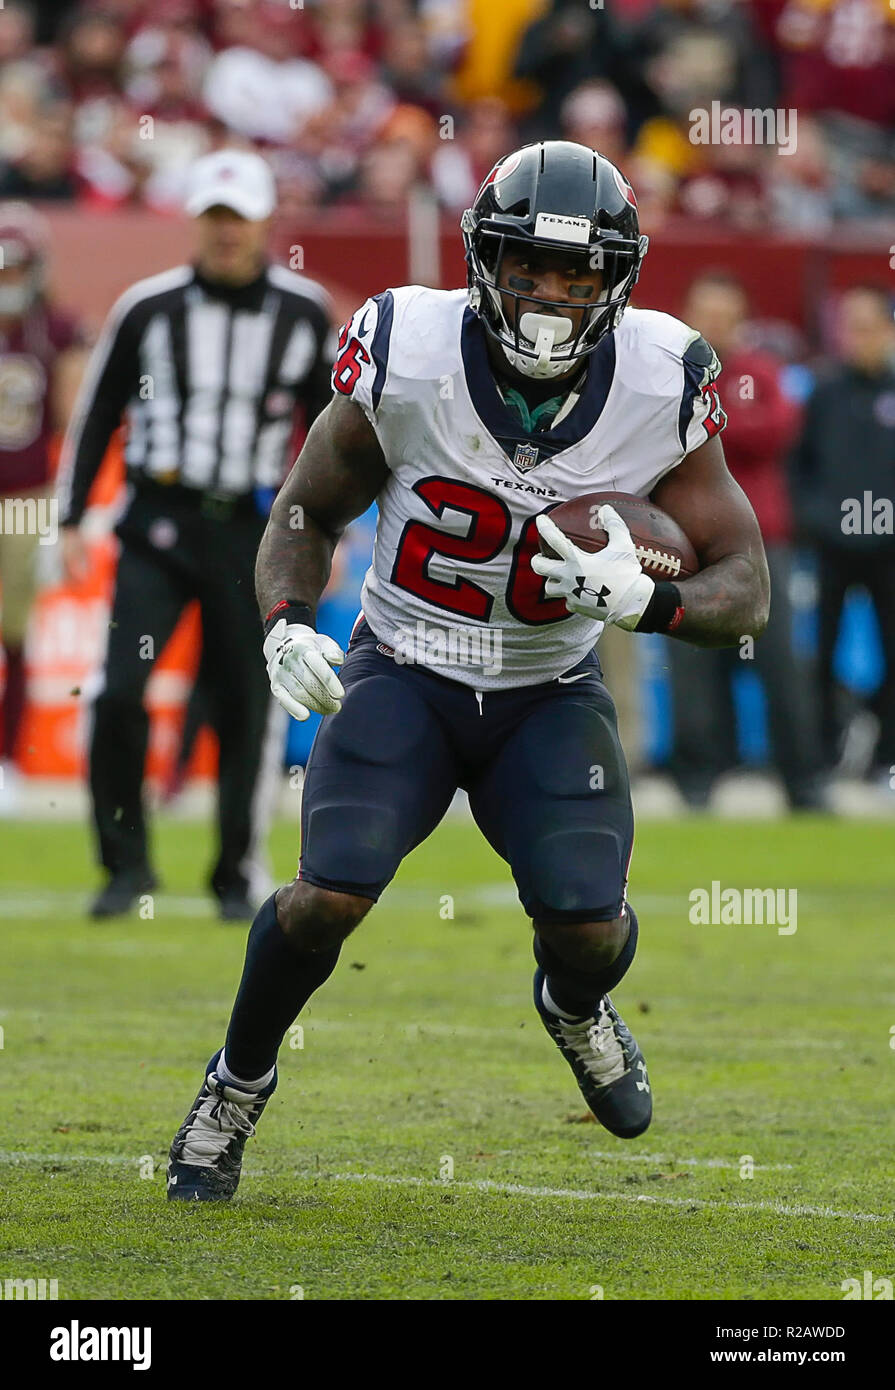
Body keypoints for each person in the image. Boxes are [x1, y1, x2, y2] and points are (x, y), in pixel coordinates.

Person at [166, 141, 769, 1201]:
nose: (549, 293)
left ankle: (572, 1007)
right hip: (403, 664)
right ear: (481, 260)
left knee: (591, 926)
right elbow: (307, 507)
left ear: (616, 280)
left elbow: (745, 582)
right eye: (526, 264)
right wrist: (284, 620)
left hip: (548, 688)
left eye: (577, 274)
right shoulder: (410, 346)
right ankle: (234, 1085)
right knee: (325, 897)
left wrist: (652, 603)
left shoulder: (659, 376)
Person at [57, 149, 336, 919]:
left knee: (246, 702)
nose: (226, 234)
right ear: (196, 222)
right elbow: (98, 412)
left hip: (253, 531)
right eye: (214, 218)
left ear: (262, 223)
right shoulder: (147, 307)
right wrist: (73, 514)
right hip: (157, 522)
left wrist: (324, 537)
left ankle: (234, 873)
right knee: (119, 692)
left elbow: (333, 435)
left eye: (238, 219)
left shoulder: (303, 310)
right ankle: (124, 867)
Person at [668, 269, 824, 809]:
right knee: (691, 666)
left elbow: (778, 430)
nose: (712, 324)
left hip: (761, 542)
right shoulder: (671, 373)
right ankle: (697, 780)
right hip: (686, 542)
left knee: (779, 663)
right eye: (703, 312)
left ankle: (802, 781)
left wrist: (705, 422)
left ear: (741, 320)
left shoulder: (758, 371)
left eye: (722, 314)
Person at [0, 201, 86, 815]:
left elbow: (72, 418)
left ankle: (6, 759)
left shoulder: (55, 329)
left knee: (14, 635)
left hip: (26, 500)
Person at [790, 285, 895, 783]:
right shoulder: (823, 391)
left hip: (889, 548)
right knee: (821, 654)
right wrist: (816, 519)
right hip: (831, 547)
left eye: (868, 327)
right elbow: (801, 463)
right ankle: (822, 753)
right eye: (850, 328)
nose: (859, 338)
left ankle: (884, 754)